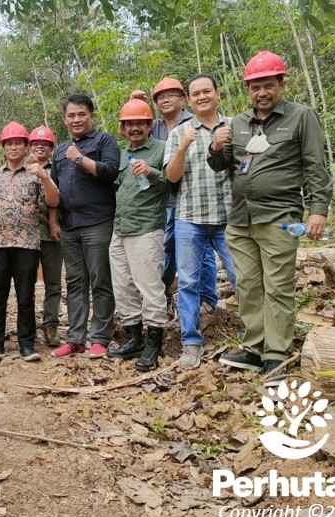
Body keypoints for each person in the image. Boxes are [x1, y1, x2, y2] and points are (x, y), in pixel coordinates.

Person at [209, 51, 332, 385]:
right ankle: (254, 347)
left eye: (268, 85)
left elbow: (316, 167)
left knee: (277, 286)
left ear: (281, 83)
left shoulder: (301, 116)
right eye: (255, 88)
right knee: (247, 286)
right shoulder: (237, 122)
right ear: (247, 90)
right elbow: (222, 166)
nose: (261, 93)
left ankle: (276, 354)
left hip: (280, 215)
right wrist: (216, 147)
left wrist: (318, 210)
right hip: (240, 218)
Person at [164, 74, 239, 371]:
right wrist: (183, 146)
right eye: (196, 93)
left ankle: (253, 337)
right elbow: (171, 176)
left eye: (207, 91)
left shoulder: (235, 125)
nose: (202, 97)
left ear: (217, 94)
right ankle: (191, 342)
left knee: (242, 278)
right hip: (190, 218)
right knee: (189, 283)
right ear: (189, 99)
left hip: (230, 217)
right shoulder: (180, 131)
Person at [0, 122, 59, 363]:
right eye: (9, 143)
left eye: (18, 143)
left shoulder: (35, 174)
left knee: (25, 296)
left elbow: (53, 202)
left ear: (25, 146)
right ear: (3, 147)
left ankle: (26, 345)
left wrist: (45, 178)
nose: (13, 147)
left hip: (27, 245)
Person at [50, 94, 120, 359]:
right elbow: (55, 192)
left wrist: (79, 158)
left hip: (98, 222)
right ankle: (76, 339)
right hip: (69, 226)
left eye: (81, 114)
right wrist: (54, 221)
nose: (76, 119)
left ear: (91, 116)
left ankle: (100, 338)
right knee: (75, 282)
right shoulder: (60, 150)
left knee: (101, 281)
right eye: (71, 115)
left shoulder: (104, 141)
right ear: (65, 120)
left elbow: (111, 171)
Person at [107, 99, 169, 371]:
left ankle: (154, 343)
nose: (134, 128)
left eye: (140, 123)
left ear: (149, 125)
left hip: (146, 229)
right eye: (129, 124)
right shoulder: (121, 155)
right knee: (123, 287)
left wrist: (151, 171)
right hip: (119, 229)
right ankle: (134, 339)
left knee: (150, 287)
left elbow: (173, 180)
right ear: (122, 128)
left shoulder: (161, 149)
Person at [151, 77, 220, 309]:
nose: (165, 100)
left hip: (195, 202)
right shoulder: (155, 128)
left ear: (183, 99)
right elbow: (132, 135)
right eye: (160, 97)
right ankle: (167, 294)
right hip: (165, 201)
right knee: (167, 249)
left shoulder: (196, 120)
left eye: (171, 95)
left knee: (205, 252)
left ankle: (208, 300)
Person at [29, 125, 63, 346]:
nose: (40, 147)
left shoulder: (58, 168)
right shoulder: (21, 167)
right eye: (35, 143)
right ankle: (28, 326)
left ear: (51, 147)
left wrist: (53, 223)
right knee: (25, 282)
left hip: (51, 234)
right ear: (29, 146)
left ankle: (50, 324)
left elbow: (57, 199)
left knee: (53, 282)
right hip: (26, 235)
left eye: (45, 144)